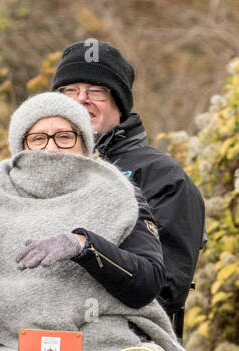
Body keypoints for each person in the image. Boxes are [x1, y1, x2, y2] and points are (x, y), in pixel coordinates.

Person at [0, 91, 188, 351]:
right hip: (10, 342)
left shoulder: (116, 193)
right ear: (20, 146)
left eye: (64, 137)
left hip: (101, 342)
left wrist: (85, 246)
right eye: (38, 138)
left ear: (84, 144)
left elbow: (147, 282)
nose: (51, 148)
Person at [52, 40, 205, 335]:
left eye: (96, 91)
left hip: (119, 340)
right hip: (32, 328)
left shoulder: (163, 177)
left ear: (119, 102)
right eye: (70, 90)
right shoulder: (32, 169)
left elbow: (165, 291)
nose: (81, 99)